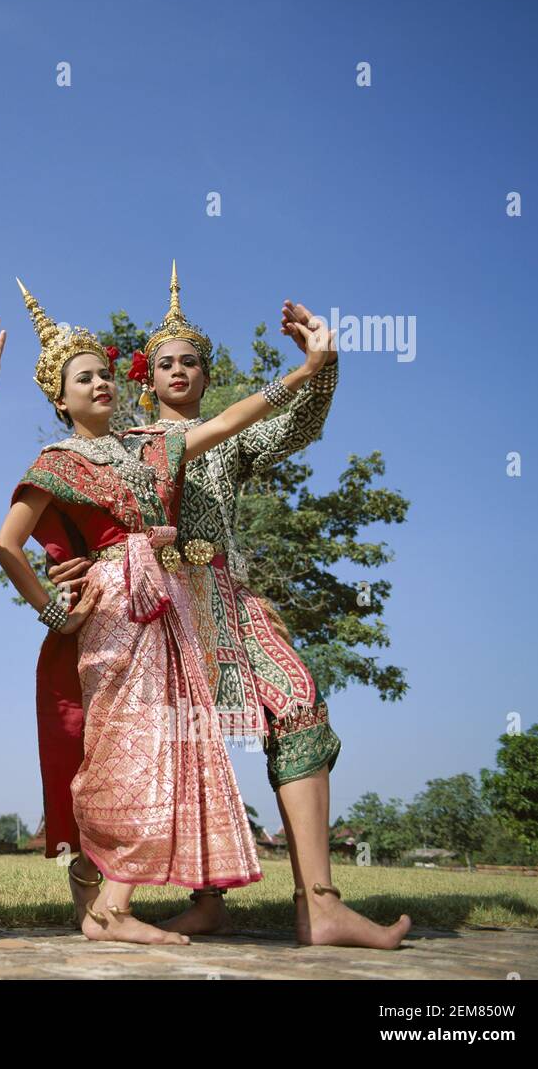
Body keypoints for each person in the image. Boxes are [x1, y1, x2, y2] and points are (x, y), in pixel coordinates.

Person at [44, 265, 411, 948]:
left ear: (208, 377)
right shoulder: (125, 447)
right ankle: (173, 896)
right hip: (151, 614)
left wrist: (321, 365)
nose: (178, 370)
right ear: (144, 379)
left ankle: (320, 903)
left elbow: (297, 426)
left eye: (191, 362)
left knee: (298, 699)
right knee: (163, 747)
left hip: (226, 603)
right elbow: (73, 518)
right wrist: (63, 570)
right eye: (165, 363)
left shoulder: (230, 439)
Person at [0, 278, 331, 945]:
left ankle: (276, 901)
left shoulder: (152, 449)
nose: (101, 383)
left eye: (105, 373)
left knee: (182, 745)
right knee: (120, 746)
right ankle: (100, 904)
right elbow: (10, 542)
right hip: (119, 610)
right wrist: (55, 608)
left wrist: (314, 368)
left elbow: (239, 423)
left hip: (178, 604)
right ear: (60, 399)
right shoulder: (70, 458)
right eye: (83, 378)